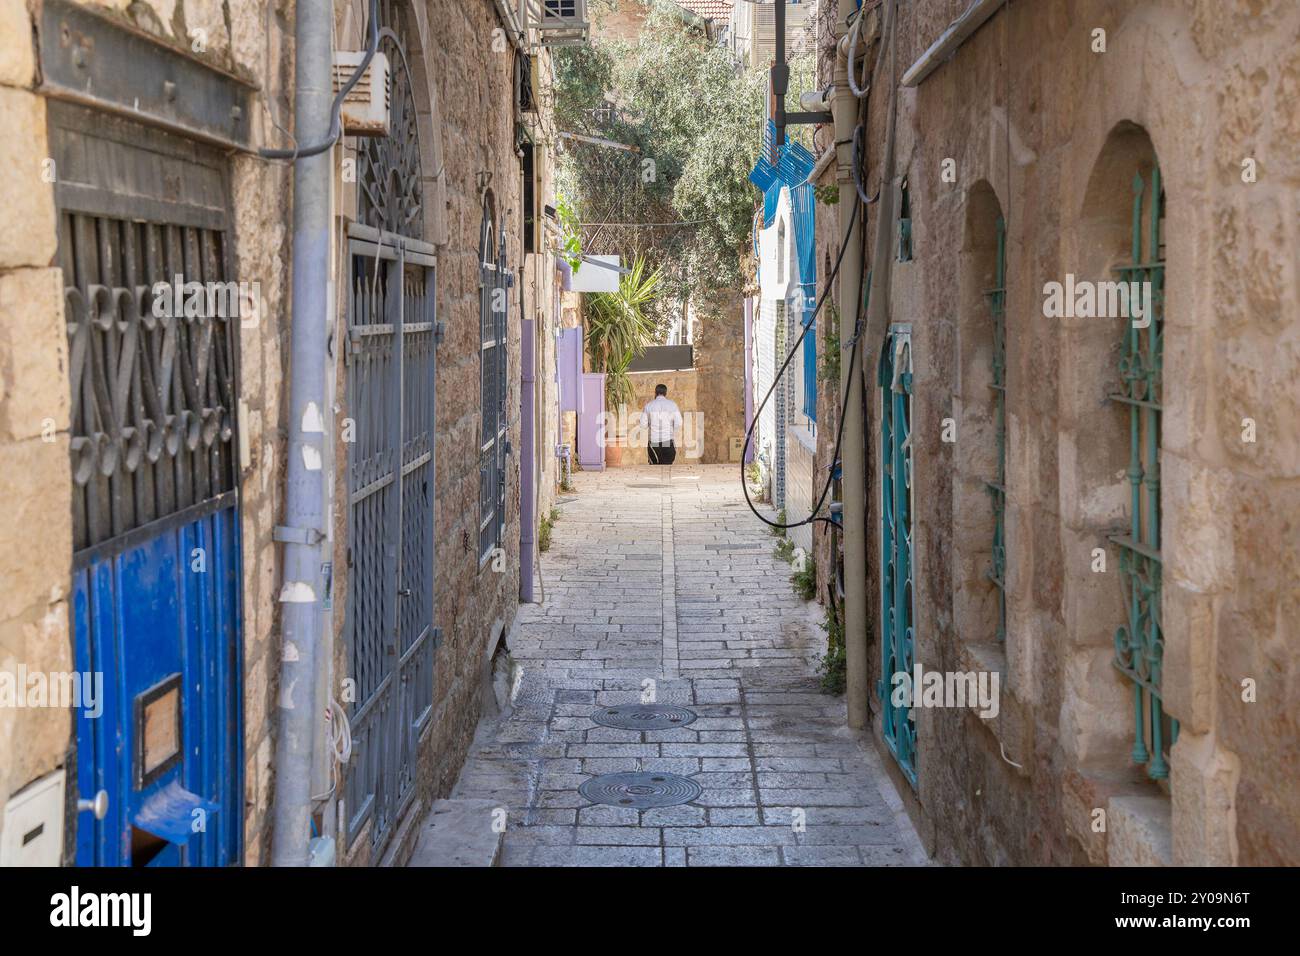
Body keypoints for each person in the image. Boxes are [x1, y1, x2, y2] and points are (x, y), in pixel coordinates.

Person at [639, 383, 683, 474]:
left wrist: (650, 425)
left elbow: (643, 424)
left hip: (654, 442)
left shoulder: (649, 406)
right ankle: (666, 485)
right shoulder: (672, 405)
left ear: (655, 393)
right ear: (665, 393)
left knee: (654, 469)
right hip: (668, 440)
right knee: (667, 468)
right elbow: (679, 423)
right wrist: (670, 430)